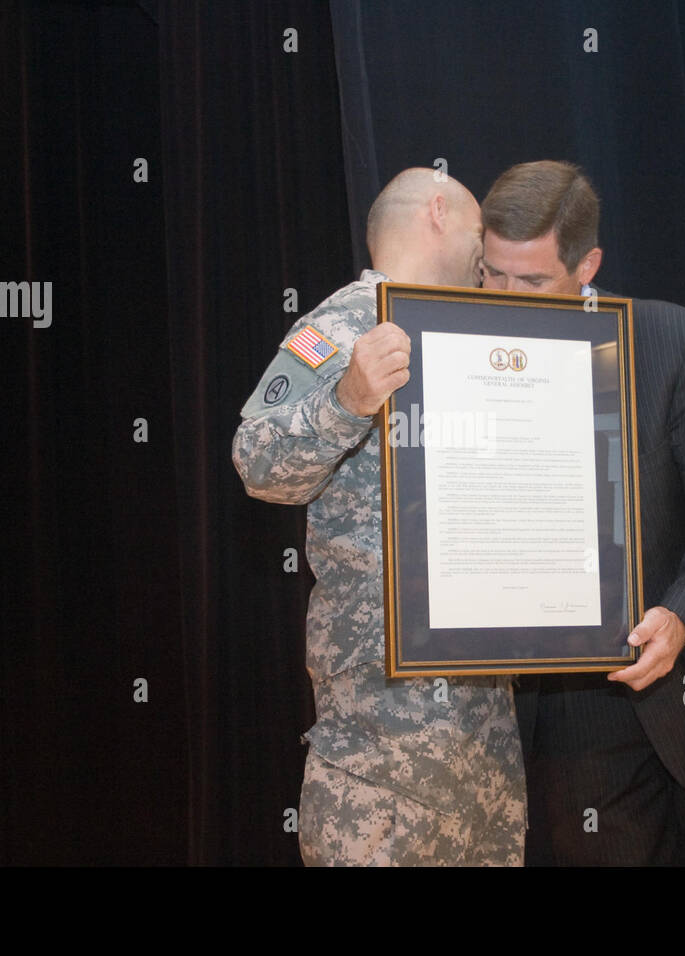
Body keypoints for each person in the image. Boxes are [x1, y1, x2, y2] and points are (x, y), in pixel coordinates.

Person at [480, 160, 685, 865]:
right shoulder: (460, 368)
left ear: (587, 263)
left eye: (530, 281)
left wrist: (682, 615)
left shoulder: (675, 342)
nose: (505, 297)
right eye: (491, 275)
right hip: (573, 724)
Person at [232, 167, 525, 866]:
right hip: (381, 748)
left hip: (481, 743)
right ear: (437, 211)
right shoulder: (342, 323)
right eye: (480, 229)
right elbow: (256, 462)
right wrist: (347, 397)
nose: (488, 255)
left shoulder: (479, 335)